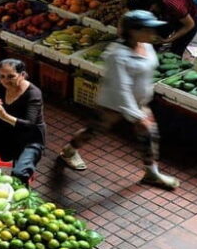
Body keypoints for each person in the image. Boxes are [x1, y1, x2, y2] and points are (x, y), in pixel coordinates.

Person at [59, 10, 180, 190]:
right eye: (148, 29)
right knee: (94, 131)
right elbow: (121, 88)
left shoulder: (145, 45)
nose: (153, 33)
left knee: (149, 135)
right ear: (133, 31)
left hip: (138, 102)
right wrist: (136, 116)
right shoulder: (117, 55)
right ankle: (69, 152)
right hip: (114, 103)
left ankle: (152, 173)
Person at [128, 0, 197, 57]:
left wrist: (168, 40)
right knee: (156, 39)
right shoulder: (151, 1)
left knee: (176, 50)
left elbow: (189, 25)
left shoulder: (174, 5)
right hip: (169, 16)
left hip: (190, 20)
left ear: (150, 7)